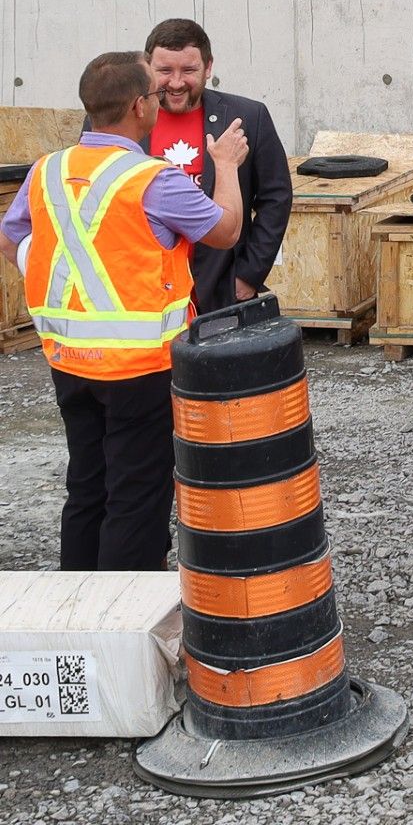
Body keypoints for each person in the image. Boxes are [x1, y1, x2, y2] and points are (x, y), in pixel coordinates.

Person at [4, 51, 246, 571]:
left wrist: (55, 281)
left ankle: (79, 611)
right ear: (141, 105)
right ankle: (121, 625)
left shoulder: (47, 170)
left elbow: (11, 238)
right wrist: (224, 166)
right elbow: (225, 231)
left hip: (69, 359)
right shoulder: (152, 180)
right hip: (140, 368)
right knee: (136, 497)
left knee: (87, 485)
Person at [143, 18, 292, 312]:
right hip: (144, 289)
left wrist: (249, 274)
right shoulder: (125, 120)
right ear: (147, 68)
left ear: (208, 67)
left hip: (218, 288)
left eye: (188, 70)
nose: (175, 82)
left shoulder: (248, 115)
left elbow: (276, 197)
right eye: (164, 71)